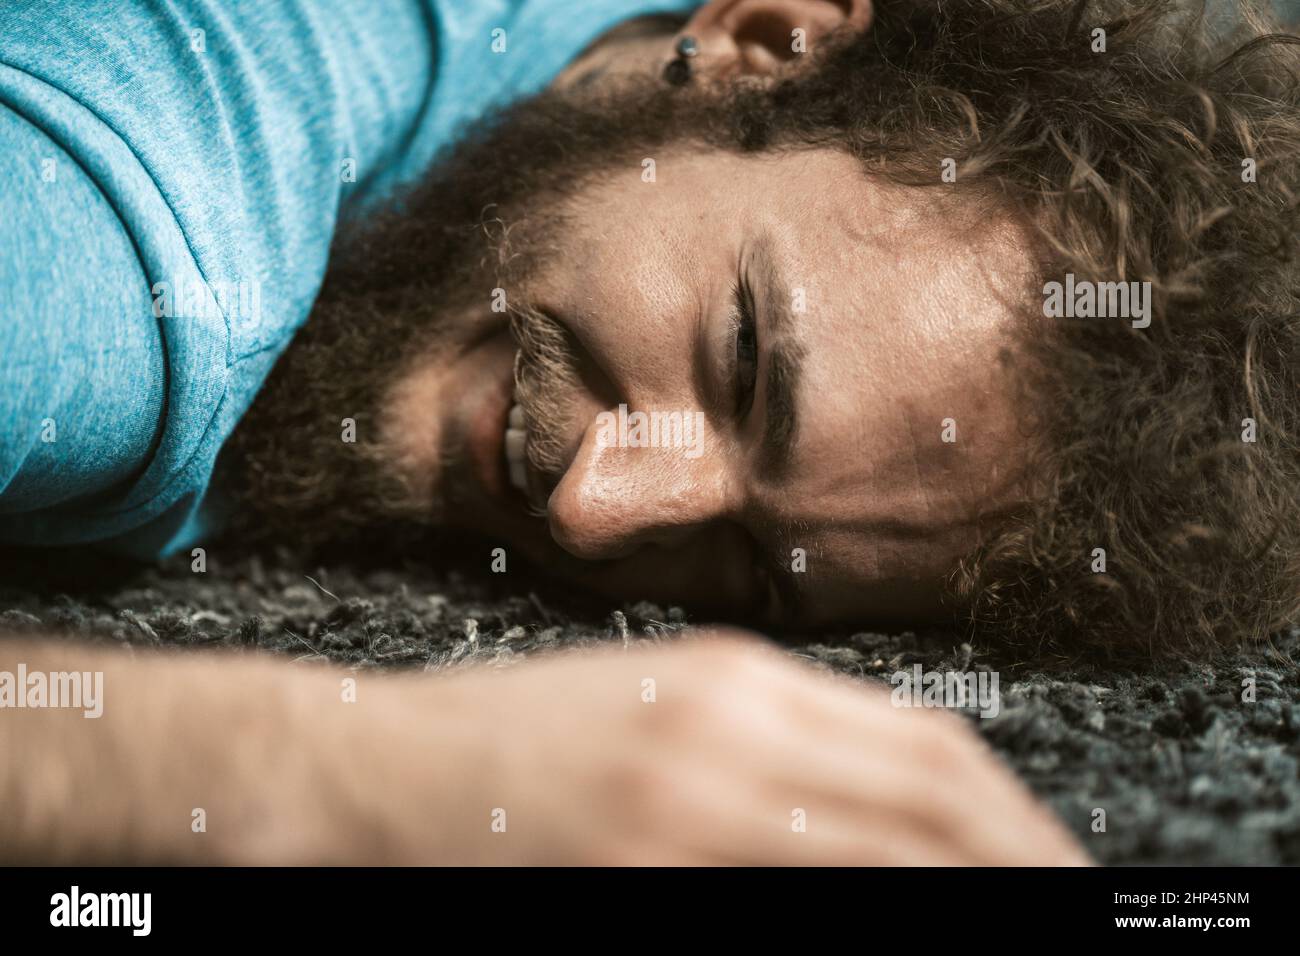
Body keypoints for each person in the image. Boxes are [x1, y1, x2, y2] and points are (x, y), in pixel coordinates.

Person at [0, 0, 1295, 862]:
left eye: (749, 573)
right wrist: (322, 774)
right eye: (742, 363)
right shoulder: (112, 267)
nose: (592, 510)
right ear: (765, 45)